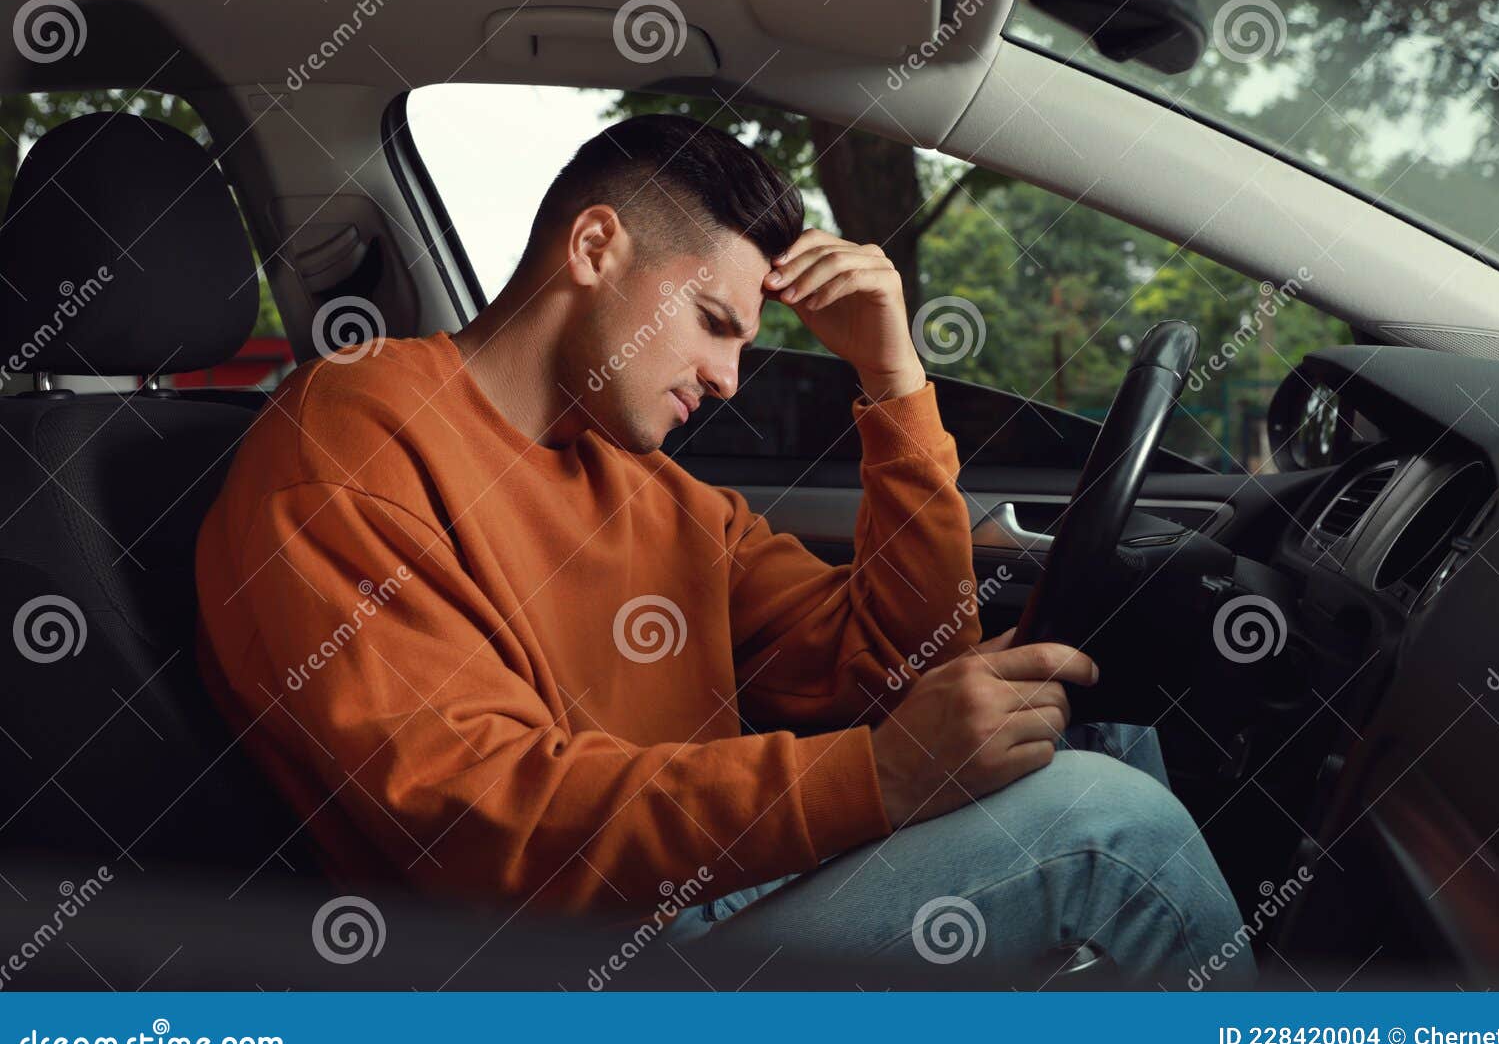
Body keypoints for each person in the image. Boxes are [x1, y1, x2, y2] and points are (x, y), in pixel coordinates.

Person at [195, 114, 1250, 987]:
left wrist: (891, 380)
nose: (731, 377)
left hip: (704, 894)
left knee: (1101, 736)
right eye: (712, 321)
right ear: (595, 247)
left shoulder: (645, 484)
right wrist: (880, 775)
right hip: (557, 964)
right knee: (1106, 823)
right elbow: (485, 823)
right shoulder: (345, 444)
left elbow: (896, 666)